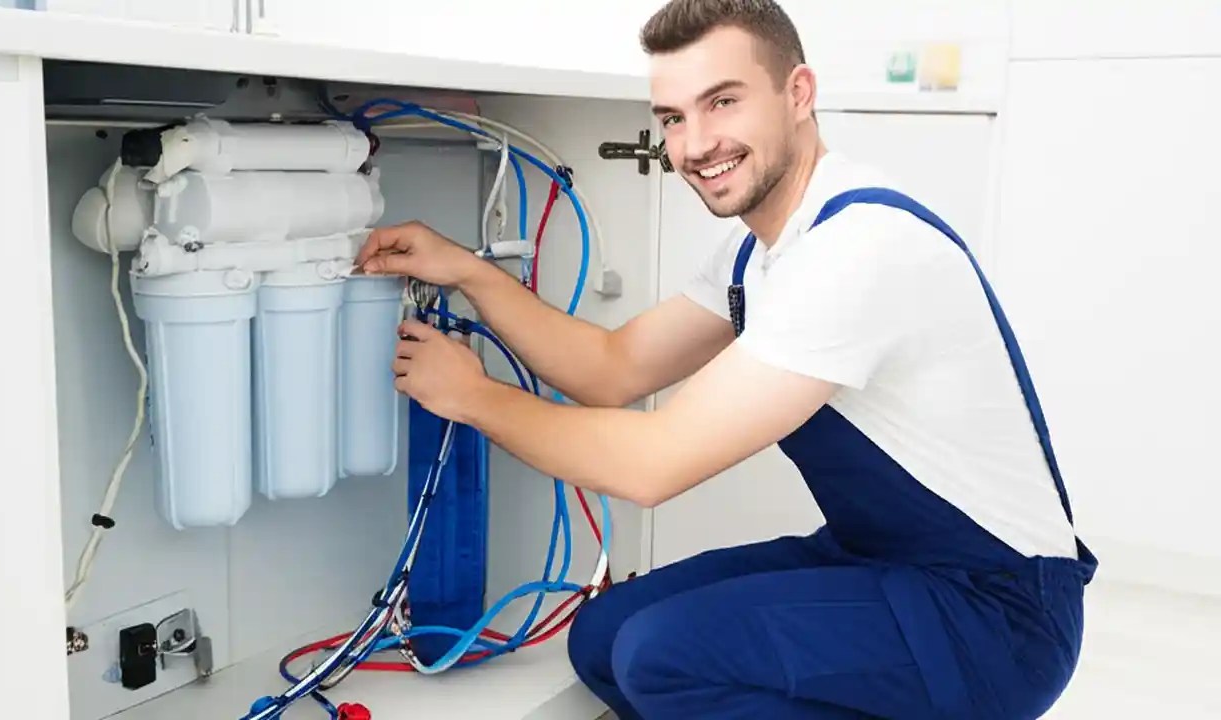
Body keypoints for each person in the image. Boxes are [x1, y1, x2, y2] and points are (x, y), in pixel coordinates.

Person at [356, 0, 1098, 717]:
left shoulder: (859, 248)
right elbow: (612, 367)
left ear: (797, 93)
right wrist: (468, 270)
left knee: (661, 656)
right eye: (674, 118)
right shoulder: (759, 254)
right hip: (881, 559)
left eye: (723, 102)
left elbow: (653, 465)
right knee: (605, 639)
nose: (696, 143)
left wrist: (474, 398)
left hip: (997, 615)